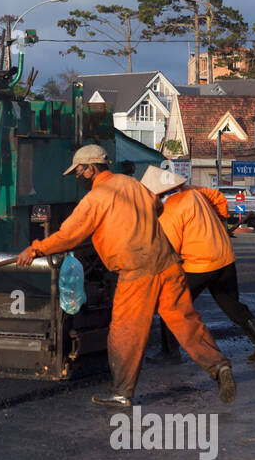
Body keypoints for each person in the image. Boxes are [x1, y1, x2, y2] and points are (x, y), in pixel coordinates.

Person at [15, 144, 236, 407]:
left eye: (78, 171)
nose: (77, 177)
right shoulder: (132, 183)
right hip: (168, 265)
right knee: (185, 322)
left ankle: (121, 393)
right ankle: (219, 366)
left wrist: (34, 249)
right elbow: (156, 206)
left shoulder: (95, 199)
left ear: (91, 169)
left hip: (136, 273)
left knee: (125, 332)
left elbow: (68, 236)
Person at [142, 166, 255, 364]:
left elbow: (169, 249)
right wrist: (219, 218)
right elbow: (218, 198)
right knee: (232, 305)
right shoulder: (194, 191)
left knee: (169, 304)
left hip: (199, 265)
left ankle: (170, 353)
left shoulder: (170, 211)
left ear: (157, 194)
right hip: (224, 257)